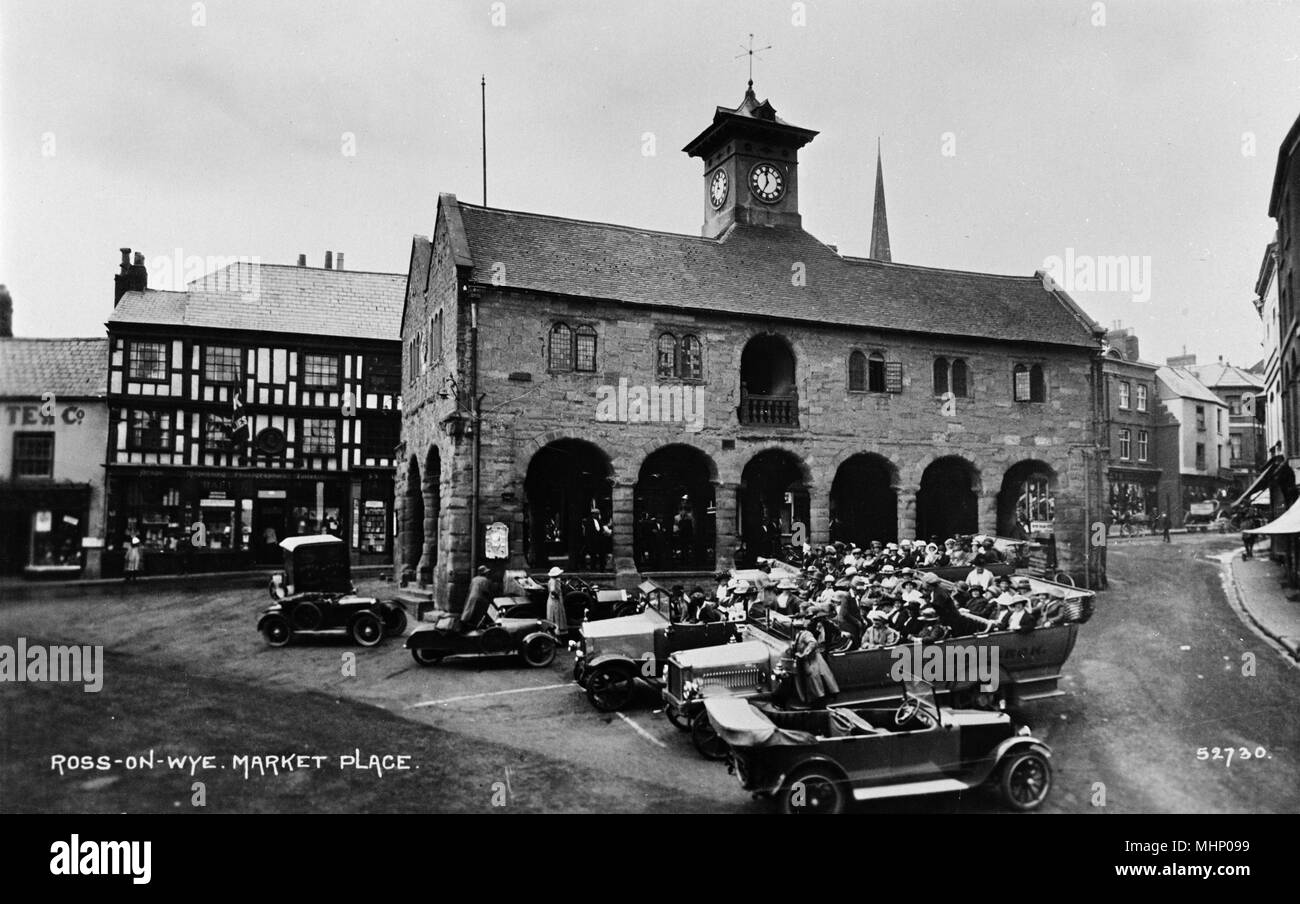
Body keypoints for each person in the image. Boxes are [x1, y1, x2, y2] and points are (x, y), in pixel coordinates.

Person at [791, 621, 840, 706]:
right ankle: (814, 698)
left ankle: (819, 699)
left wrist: (805, 653)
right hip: (807, 661)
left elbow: (813, 643)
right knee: (811, 680)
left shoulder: (805, 634)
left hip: (812, 660)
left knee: (815, 679)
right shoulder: (798, 636)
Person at [459, 565, 495, 632]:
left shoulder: (474, 579)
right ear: (485, 573)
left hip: (471, 597)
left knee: (468, 611)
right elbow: (486, 591)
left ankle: (464, 625)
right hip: (480, 598)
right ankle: (475, 628)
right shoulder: (486, 580)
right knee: (478, 614)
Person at [545, 566, 570, 637]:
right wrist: (557, 596)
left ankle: (555, 631)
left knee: (554, 616)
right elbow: (553, 590)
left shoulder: (551, 580)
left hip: (552, 600)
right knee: (556, 616)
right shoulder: (555, 581)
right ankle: (557, 633)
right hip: (555, 601)